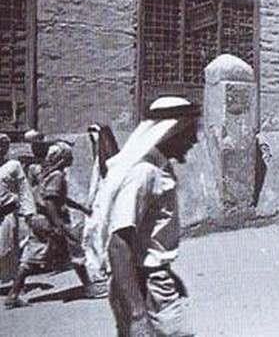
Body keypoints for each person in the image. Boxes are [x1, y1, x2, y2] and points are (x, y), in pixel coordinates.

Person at [96, 96, 200, 336]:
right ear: (171, 132)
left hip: (152, 282)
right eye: (189, 132)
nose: (194, 140)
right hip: (145, 289)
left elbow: (147, 240)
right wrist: (138, 315)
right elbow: (118, 246)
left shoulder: (158, 168)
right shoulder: (144, 173)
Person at [5, 142, 92, 308]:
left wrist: (81, 208)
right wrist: (59, 225)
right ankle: (89, 287)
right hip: (50, 220)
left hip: (39, 220)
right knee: (75, 250)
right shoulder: (57, 175)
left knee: (31, 257)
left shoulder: (47, 173)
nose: (72, 158)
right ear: (63, 158)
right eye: (69, 155)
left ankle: (13, 294)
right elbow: (51, 201)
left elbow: (56, 197)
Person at [81, 124, 120, 299]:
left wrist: (88, 204)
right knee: (102, 233)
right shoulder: (114, 158)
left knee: (97, 234)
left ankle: (102, 270)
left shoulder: (103, 161)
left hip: (102, 201)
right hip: (107, 200)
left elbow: (94, 183)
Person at [0, 134, 36, 284]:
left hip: (6, 213)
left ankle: (13, 284)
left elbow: (24, 190)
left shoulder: (13, 166)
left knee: (5, 250)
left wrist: (29, 213)